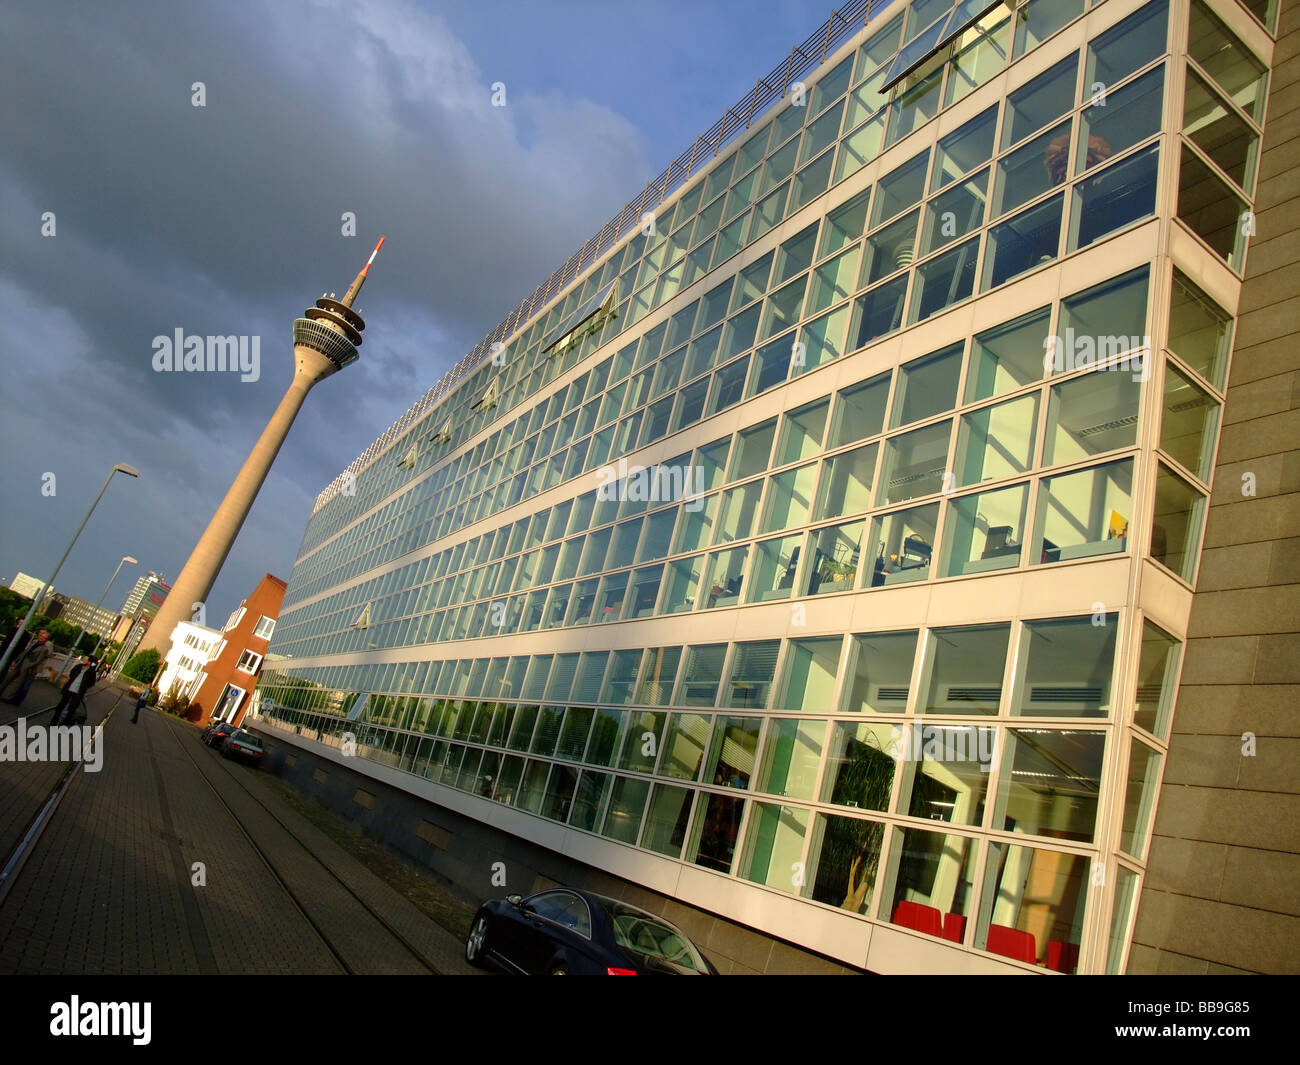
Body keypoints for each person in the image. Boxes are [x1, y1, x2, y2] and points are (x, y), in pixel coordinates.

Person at [1, 629, 53, 705]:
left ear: (46, 640)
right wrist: (16, 660)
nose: (42, 638)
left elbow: (38, 660)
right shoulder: (34, 641)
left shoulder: (44, 649)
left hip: (27, 666)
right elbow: (25, 651)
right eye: (41, 636)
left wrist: (28, 665)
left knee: (18, 683)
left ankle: (8, 697)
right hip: (21, 661)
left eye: (44, 638)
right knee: (8, 676)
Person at [51, 656, 97, 726]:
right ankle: (54, 722)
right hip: (69, 689)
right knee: (60, 706)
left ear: (89, 662)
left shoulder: (91, 672)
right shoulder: (79, 666)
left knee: (71, 710)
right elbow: (71, 673)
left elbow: (91, 683)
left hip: (78, 693)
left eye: (86, 660)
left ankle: (64, 724)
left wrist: (83, 687)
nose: (83, 660)